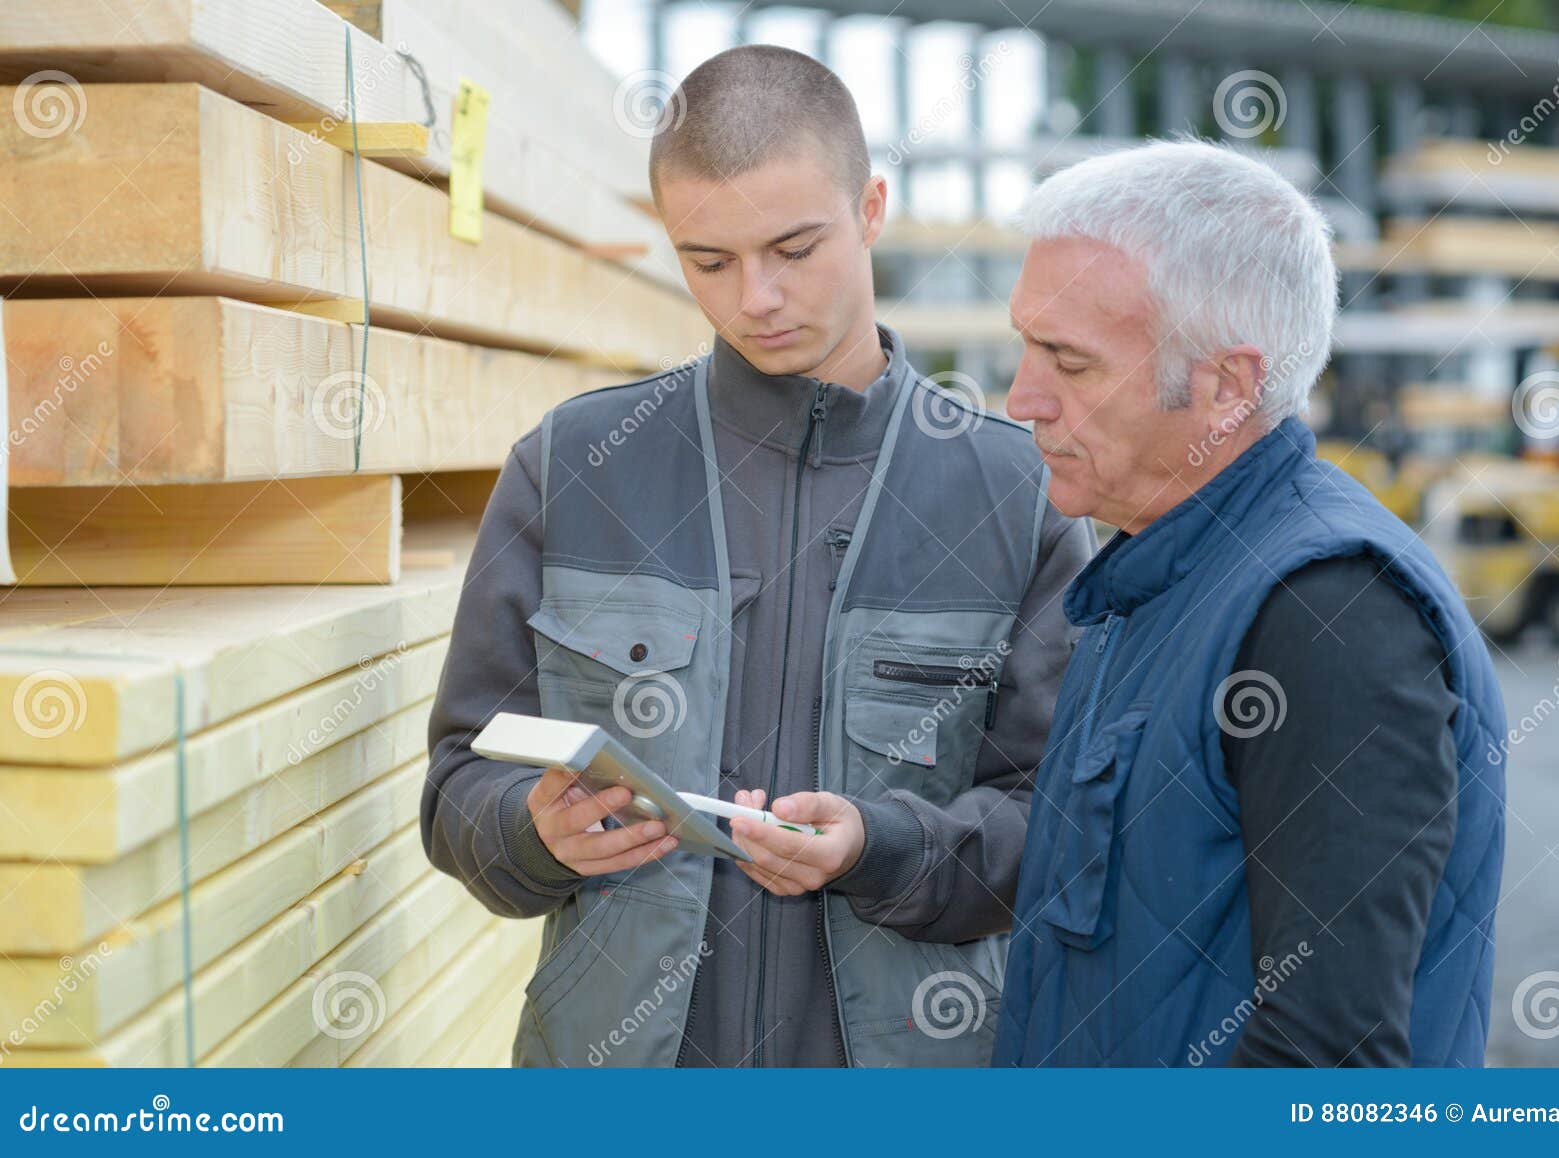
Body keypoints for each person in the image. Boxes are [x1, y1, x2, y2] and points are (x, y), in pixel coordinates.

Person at [420, 44, 1095, 1067]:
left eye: (793, 248)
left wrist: (884, 847)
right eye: (710, 262)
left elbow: (1063, 829)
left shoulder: (1016, 496)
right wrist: (531, 831)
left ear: (869, 207)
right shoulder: (574, 468)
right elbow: (456, 785)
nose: (756, 300)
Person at [993, 140, 1507, 1067]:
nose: (1024, 396)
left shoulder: (1327, 613)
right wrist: (883, 849)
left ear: (1226, 387)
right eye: (1025, 346)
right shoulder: (1158, 575)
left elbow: (1326, 1063)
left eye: (1068, 362)